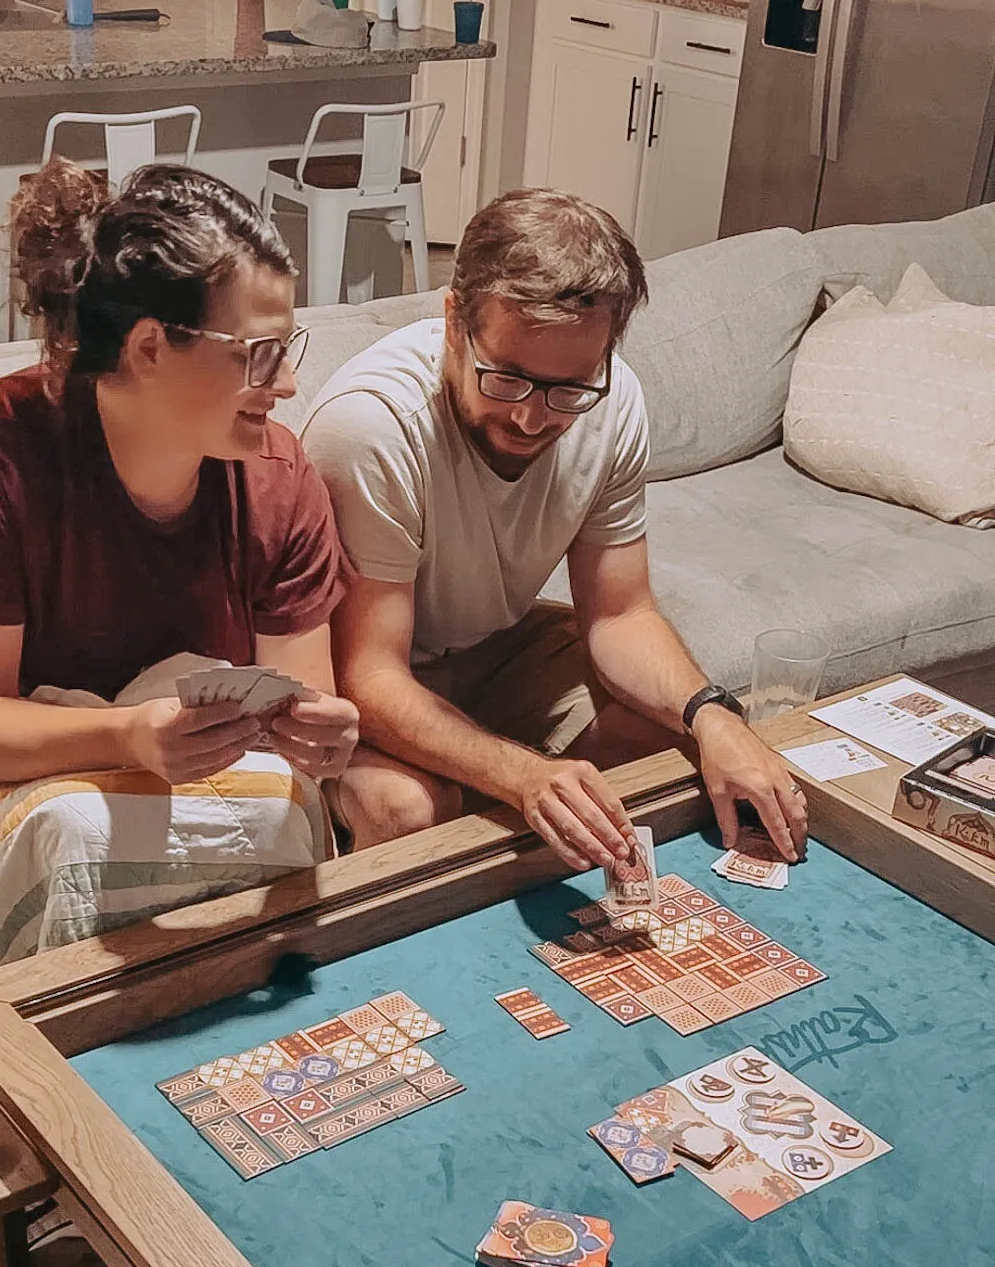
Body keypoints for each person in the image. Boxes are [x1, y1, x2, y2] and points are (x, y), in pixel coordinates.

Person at [0, 160, 360, 955]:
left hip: (198, 770)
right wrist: (129, 737)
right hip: (35, 776)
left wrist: (319, 735)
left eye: (291, 349)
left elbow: (302, 700)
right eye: (260, 355)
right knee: (73, 831)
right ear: (150, 348)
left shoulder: (280, 480)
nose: (287, 384)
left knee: (283, 809)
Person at [301, 189, 807, 875]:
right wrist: (522, 775)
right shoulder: (370, 427)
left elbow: (623, 611)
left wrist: (714, 716)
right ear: (454, 321)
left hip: (496, 646)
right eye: (507, 379)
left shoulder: (616, 398)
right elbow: (368, 673)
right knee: (407, 807)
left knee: (671, 737)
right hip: (362, 677)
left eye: (569, 388)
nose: (535, 419)